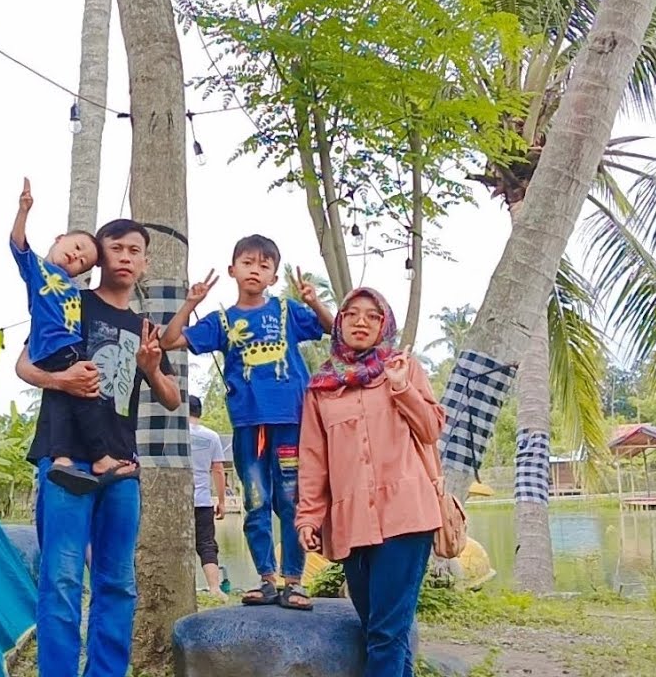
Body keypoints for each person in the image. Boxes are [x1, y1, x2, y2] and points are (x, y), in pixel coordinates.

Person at [16, 218, 181, 677]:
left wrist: (152, 369)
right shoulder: (71, 300)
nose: (125, 258)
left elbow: (172, 400)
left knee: (119, 583)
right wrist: (60, 379)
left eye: (135, 251)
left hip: (122, 465)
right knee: (63, 579)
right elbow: (24, 364)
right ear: (99, 256)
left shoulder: (145, 327)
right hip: (65, 455)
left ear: (144, 262)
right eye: (116, 249)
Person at [161, 234, 333, 611]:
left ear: (273, 276)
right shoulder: (222, 321)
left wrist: (316, 302)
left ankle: (294, 581)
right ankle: (266, 580)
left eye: (264, 265)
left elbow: (335, 331)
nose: (255, 270)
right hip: (247, 425)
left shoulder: (287, 312)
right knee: (256, 502)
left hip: (291, 421)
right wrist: (191, 302)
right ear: (232, 270)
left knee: (290, 501)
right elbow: (168, 341)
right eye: (248, 263)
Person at [295, 287, 445, 677]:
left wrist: (401, 387)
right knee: (382, 632)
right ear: (339, 322)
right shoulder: (321, 388)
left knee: (384, 633)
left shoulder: (403, 368)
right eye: (352, 314)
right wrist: (308, 517)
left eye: (372, 316)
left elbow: (430, 430)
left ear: (384, 325)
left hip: (407, 516)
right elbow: (313, 459)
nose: (361, 322)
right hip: (351, 522)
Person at [9, 178, 118, 494]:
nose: (77, 256)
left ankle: (63, 458)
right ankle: (99, 458)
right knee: (87, 400)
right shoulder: (38, 270)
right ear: (60, 239)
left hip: (70, 347)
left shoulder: (75, 288)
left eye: (84, 261)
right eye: (77, 247)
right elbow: (18, 244)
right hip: (55, 348)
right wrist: (23, 211)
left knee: (65, 401)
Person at [188, 394, 227, 595]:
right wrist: (221, 501)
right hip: (202, 500)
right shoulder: (212, 436)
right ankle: (214, 588)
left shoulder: (176, 433)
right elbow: (218, 470)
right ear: (199, 412)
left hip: (179, 501)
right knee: (206, 544)